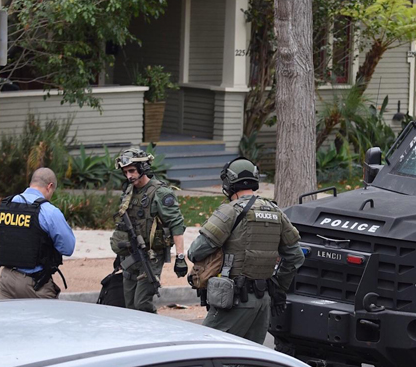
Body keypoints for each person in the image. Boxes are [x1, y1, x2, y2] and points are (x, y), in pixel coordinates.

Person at [187, 157, 304, 344]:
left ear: (228, 182)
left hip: (234, 301)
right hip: (263, 301)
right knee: (249, 362)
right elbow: (295, 257)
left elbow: (195, 251)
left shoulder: (230, 211)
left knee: (207, 348)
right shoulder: (276, 212)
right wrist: (279, 287)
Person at [110, 147, 187, 312]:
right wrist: (120, 255)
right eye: (125, 172)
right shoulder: (129, 192)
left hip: (150, 257)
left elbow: (176, 225)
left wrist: (180, 257)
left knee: (142, 305)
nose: (129, 176)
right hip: (130, 256)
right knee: (129, 306)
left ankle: (155, 333)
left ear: (143, 168)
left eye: (132, 171)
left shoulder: (160, 193)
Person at [0, 167, 76, 299]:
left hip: (6, 280)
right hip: (35, 284)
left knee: (8, 319)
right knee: (47, 319)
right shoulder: (49, 211)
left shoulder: (6, 205)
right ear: (49, 186)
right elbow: (68, 248)